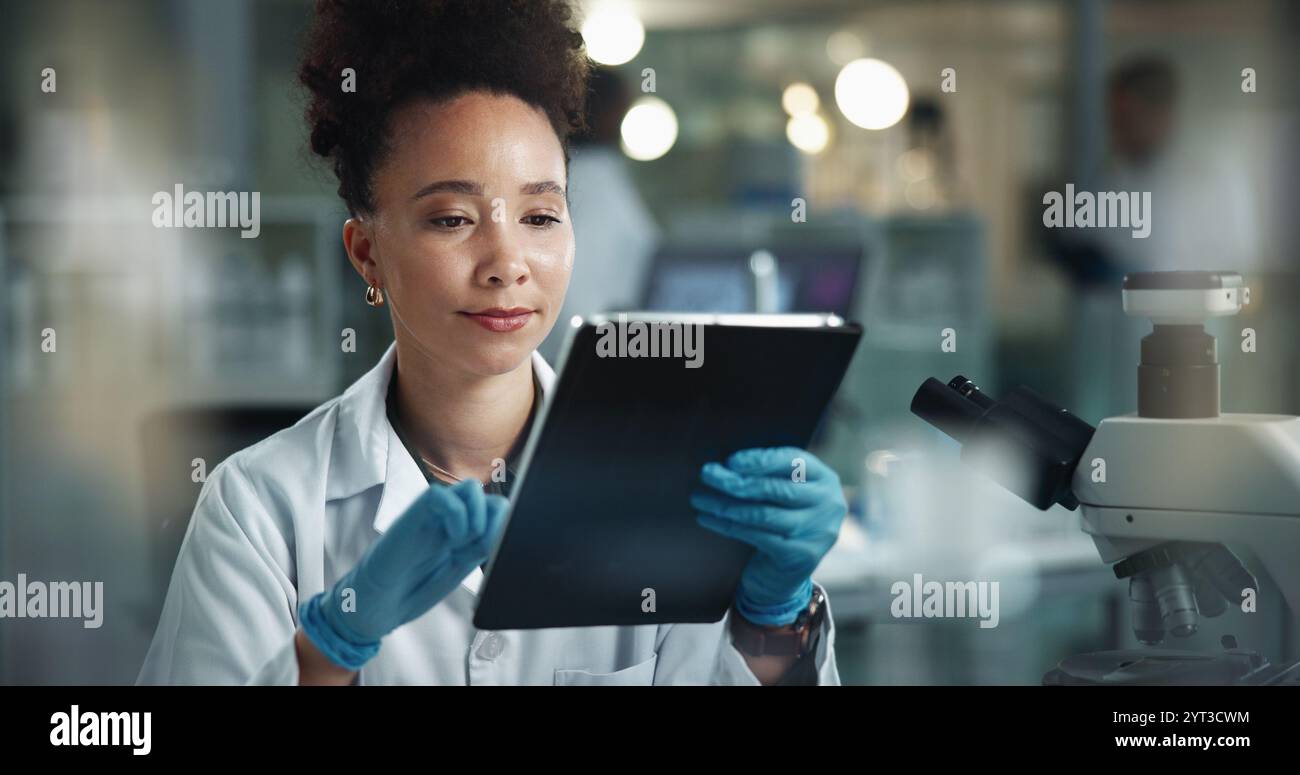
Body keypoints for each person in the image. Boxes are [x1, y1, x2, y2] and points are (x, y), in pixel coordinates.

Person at [137, 0, 845, 686]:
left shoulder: (660, 487)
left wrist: (771, 622)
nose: (507, 262)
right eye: (451, 218)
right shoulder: (260, 505)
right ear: (366, 254)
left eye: (540, 215)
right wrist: (330, 650)